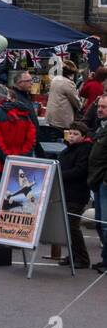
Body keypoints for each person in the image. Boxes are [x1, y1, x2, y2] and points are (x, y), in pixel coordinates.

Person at [0, 84, 36, 213]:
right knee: (17, 202)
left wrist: (8, 158)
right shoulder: (22, 113)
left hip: (0, 164)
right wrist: (22, 157)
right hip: (19, 163)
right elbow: (31, 138)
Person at [57, 121, 92, 268]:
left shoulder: (84, 149)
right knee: (67, 226)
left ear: (83, 136)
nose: (71, 136)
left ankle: (82, 259)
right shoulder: (67, 150)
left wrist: (59, 174)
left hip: (77, 194)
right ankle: (73, 255)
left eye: (75, 134)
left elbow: (80, 171)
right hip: (66, 192)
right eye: (70, 133)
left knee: (72, 226)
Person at [88, 94, 107, 272]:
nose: (100, 110)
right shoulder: (101, 126)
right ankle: (105, 259)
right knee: (101, 222)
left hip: (104, 182)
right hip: (97, 180)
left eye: (104, 107)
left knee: (106, 224)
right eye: (99, 106)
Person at [45, 63, 82, 129]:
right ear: (71, 73)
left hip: (52, 116)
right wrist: (80, 106)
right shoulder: (68, 83)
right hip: (62, 117)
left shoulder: (55, 79)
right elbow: (75, 100)